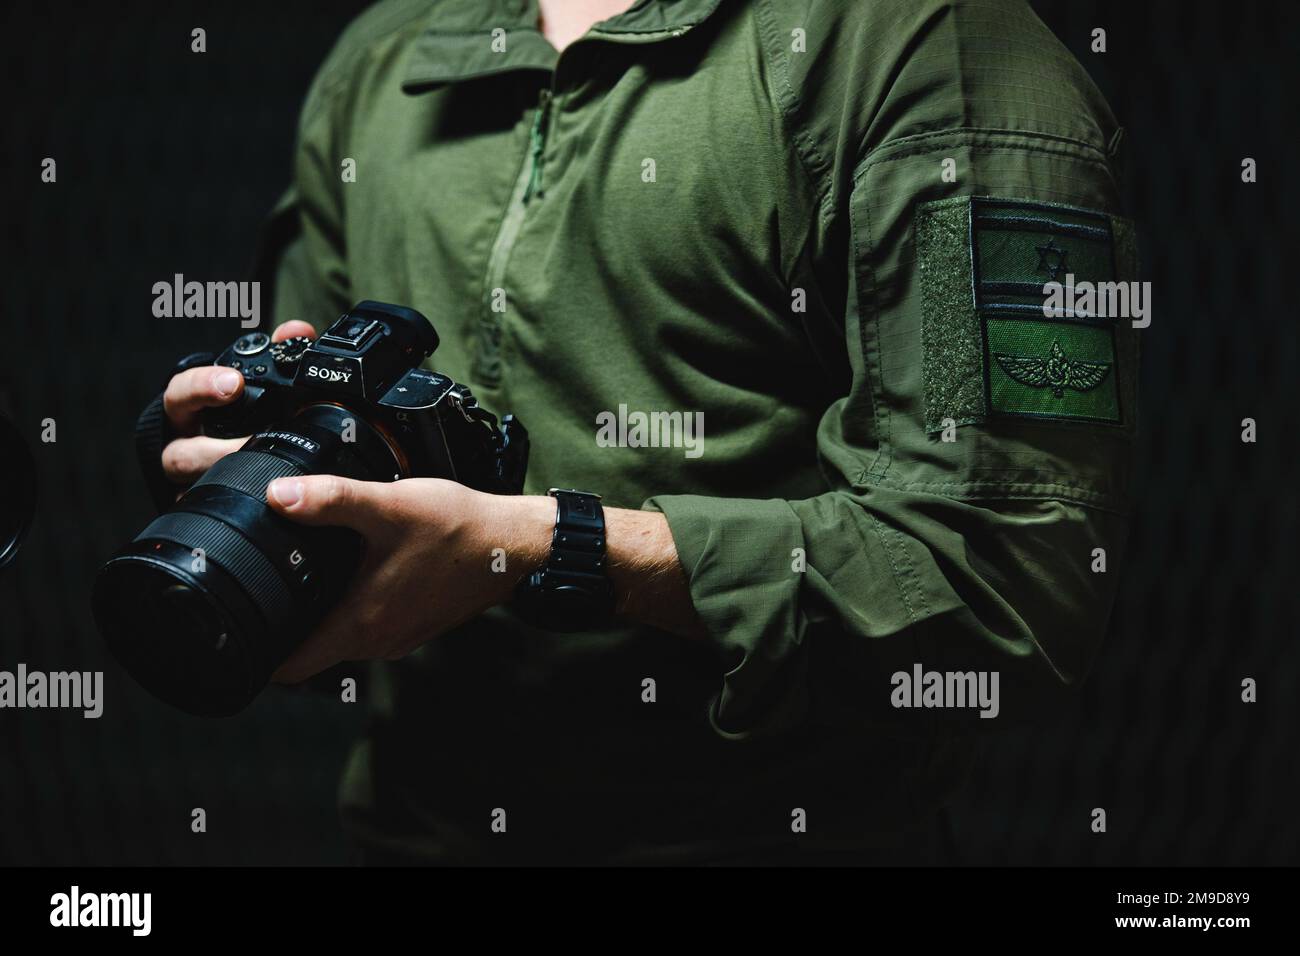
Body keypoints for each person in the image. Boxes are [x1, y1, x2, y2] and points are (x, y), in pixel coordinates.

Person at [151, 0, 1139, 864]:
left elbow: (1004, 579)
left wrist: (557, 548)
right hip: (411, 839)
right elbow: (330, 527)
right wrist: (245, 473)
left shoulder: (933, 53)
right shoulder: (389, 54)